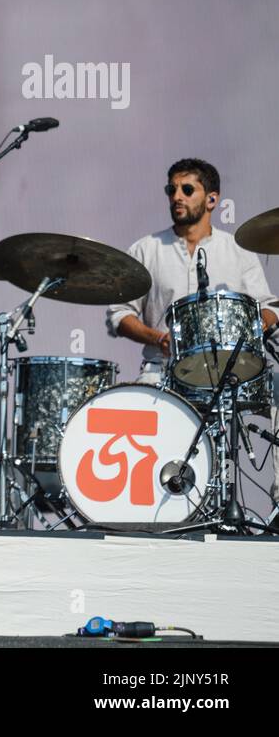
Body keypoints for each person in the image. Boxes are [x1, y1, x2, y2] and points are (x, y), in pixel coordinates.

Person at [106, 158, 279, 497]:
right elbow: (119, 315)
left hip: (230, 375)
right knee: (130, 408)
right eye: (171, 190)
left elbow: (269, 307)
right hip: (163, 371)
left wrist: (255, 327)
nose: (177, 197)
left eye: (187, 190)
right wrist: (158, 337)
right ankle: (143, 509)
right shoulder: (146, 249)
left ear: (212, 199)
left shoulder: (238, 250)